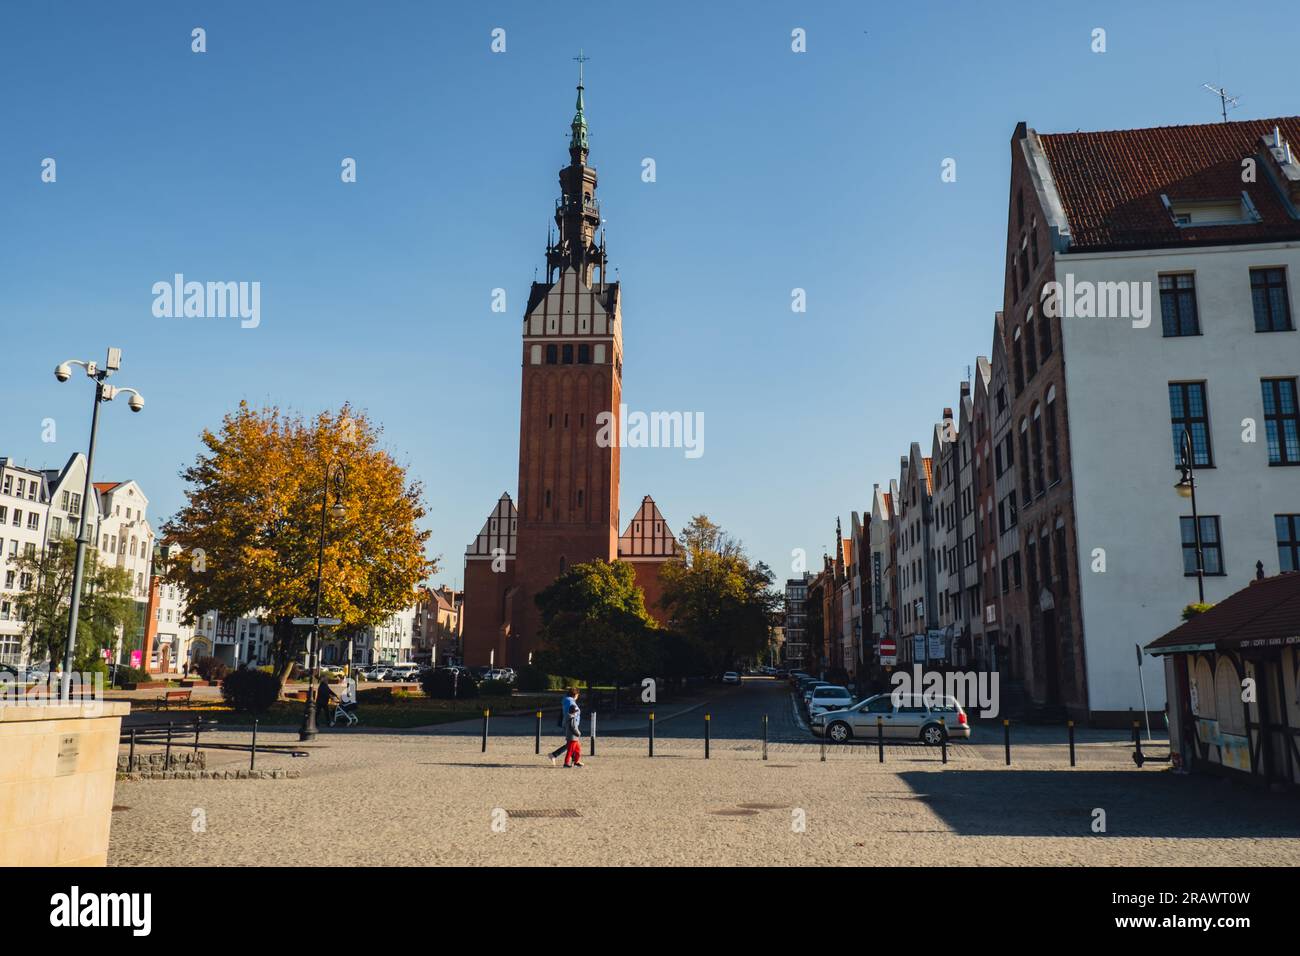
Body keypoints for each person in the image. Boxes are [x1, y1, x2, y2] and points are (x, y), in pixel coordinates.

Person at [548, 686, 577, 766]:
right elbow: (571, 713)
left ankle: (574, 760)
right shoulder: (570, 702)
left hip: (567, 724)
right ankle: (554, 755)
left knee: (571, 743)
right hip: (569, 724)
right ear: (575, 694)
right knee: (571, 743)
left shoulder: (566, 700)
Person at [564, 690, 584, 767]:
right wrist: (578, 733)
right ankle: (566, 763)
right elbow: (572, 727)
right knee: (570, 750)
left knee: (577, 750)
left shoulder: (571, 716)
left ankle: (576, 761)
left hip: (574, 737)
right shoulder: (571, 718)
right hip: (572, 737)